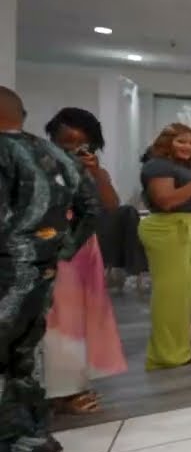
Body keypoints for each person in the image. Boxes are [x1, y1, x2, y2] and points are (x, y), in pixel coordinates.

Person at [0, 87, 100, 452]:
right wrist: (62, 248)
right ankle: (28, 439)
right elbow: (91, 209)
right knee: (22, 357)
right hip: (40, 270)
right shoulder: (57, 157)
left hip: (7, 269)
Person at [41, 108, 127, 414]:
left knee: (84, 318)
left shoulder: (92, 170)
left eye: (82, 144)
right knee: (60, 321)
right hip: (55, 245)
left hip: (86, 248)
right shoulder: (42, 165)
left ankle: (74, 383)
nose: (73, 150)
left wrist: (96, 173)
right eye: (66, 142)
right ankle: (59, 390)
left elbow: (112, 205)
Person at [139, 123, 191, 370]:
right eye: (181, 141)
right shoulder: (158, 165)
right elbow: (166, 201)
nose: (188, 147)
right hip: (168, 230)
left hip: (183, 229)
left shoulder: (182, 166)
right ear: (167, 141)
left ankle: (177, 349)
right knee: (170, 297)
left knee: (181, 296)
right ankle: (166, 355)